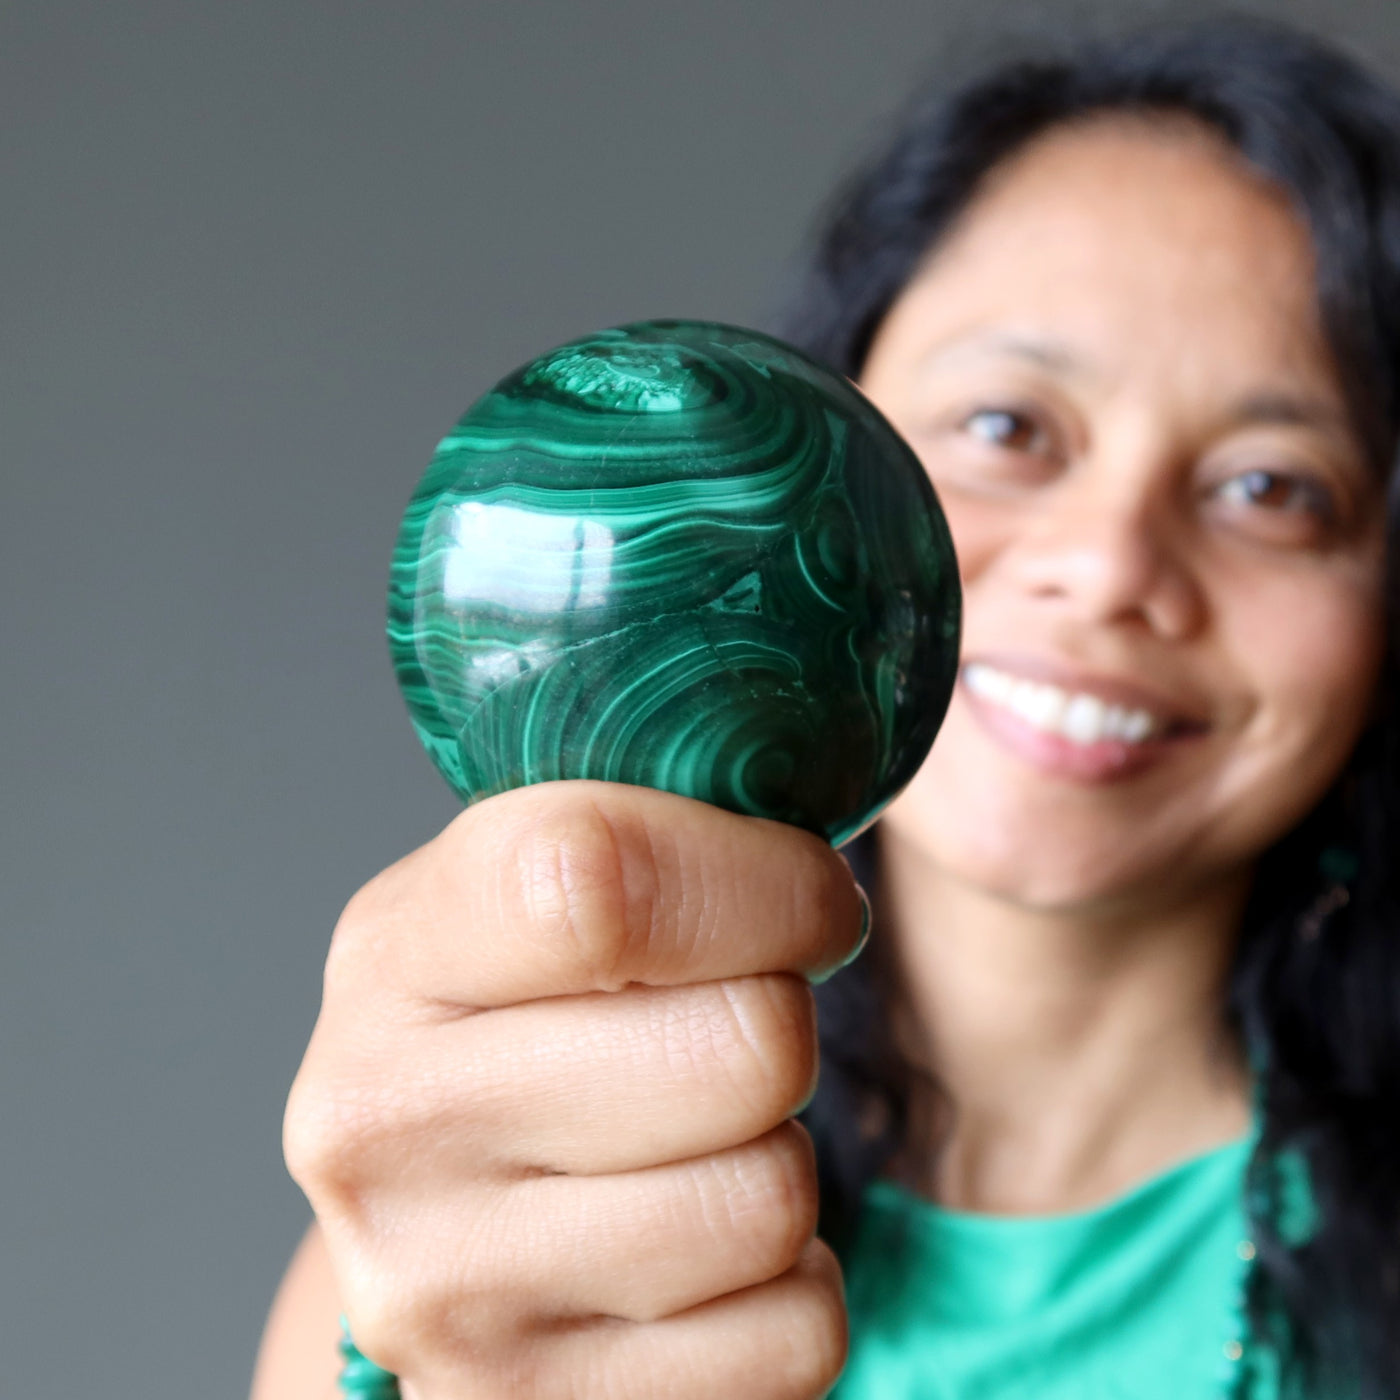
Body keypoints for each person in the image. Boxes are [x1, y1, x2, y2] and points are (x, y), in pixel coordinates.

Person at [251, 17, 1400, 1400]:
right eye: (1008, 428)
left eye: (1272, 489)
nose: (1110, 565)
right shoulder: (462, 1280)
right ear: (809, 447)